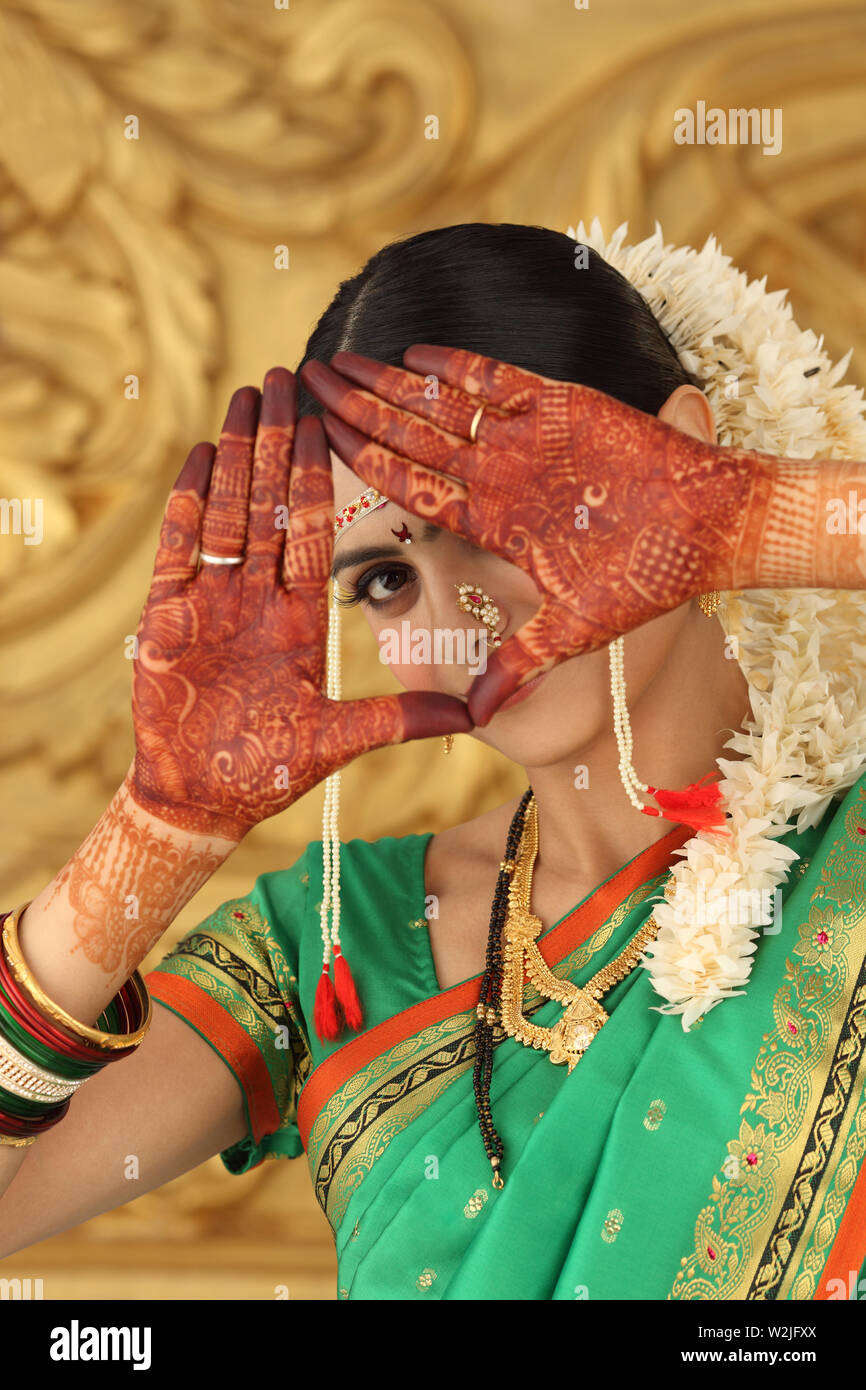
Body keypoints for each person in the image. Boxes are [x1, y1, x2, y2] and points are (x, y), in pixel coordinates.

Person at [1, 223, 864, 1301]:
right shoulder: (335, 940)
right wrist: (159, 826)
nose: (458, 620)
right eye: (385, 580)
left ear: (686, 460)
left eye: (506, 522)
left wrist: (757, 514)